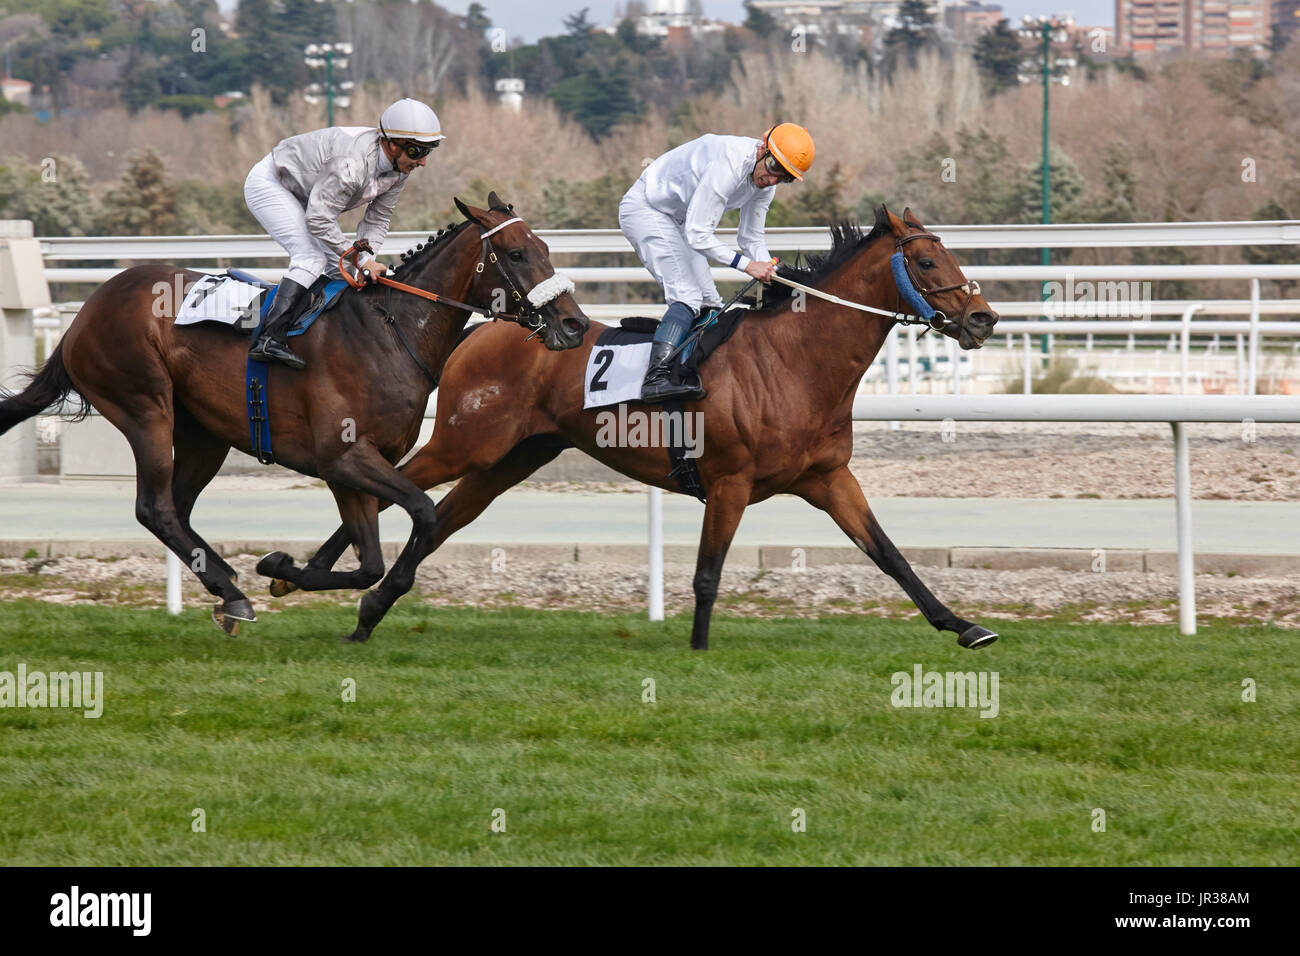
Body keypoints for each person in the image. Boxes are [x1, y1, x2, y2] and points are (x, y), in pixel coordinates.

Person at [242, 98, 444, 369]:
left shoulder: (399, 168)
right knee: (310, 258)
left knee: (345, 275)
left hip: (310, 196)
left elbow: (378, 218)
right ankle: (268, 339)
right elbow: (318, 219)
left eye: (429, 151)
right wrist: (360, 261)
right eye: (417, 151)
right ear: (392, 144)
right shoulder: (352, 165)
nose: (422, 162)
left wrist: (364, 263)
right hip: (272, 184)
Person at [619, 123, 814, 402]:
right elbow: (698, 235)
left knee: (710, 302)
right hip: (646, 209)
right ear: (762, 148)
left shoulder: (765, 183)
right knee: (686, 296)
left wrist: (768, 269)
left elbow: (751, 238)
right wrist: (748, 266)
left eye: (785, 178)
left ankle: (688, 370)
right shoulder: (731, 162)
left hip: (679, 221)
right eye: (773, 166)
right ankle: (656, 378)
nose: (772, 179)